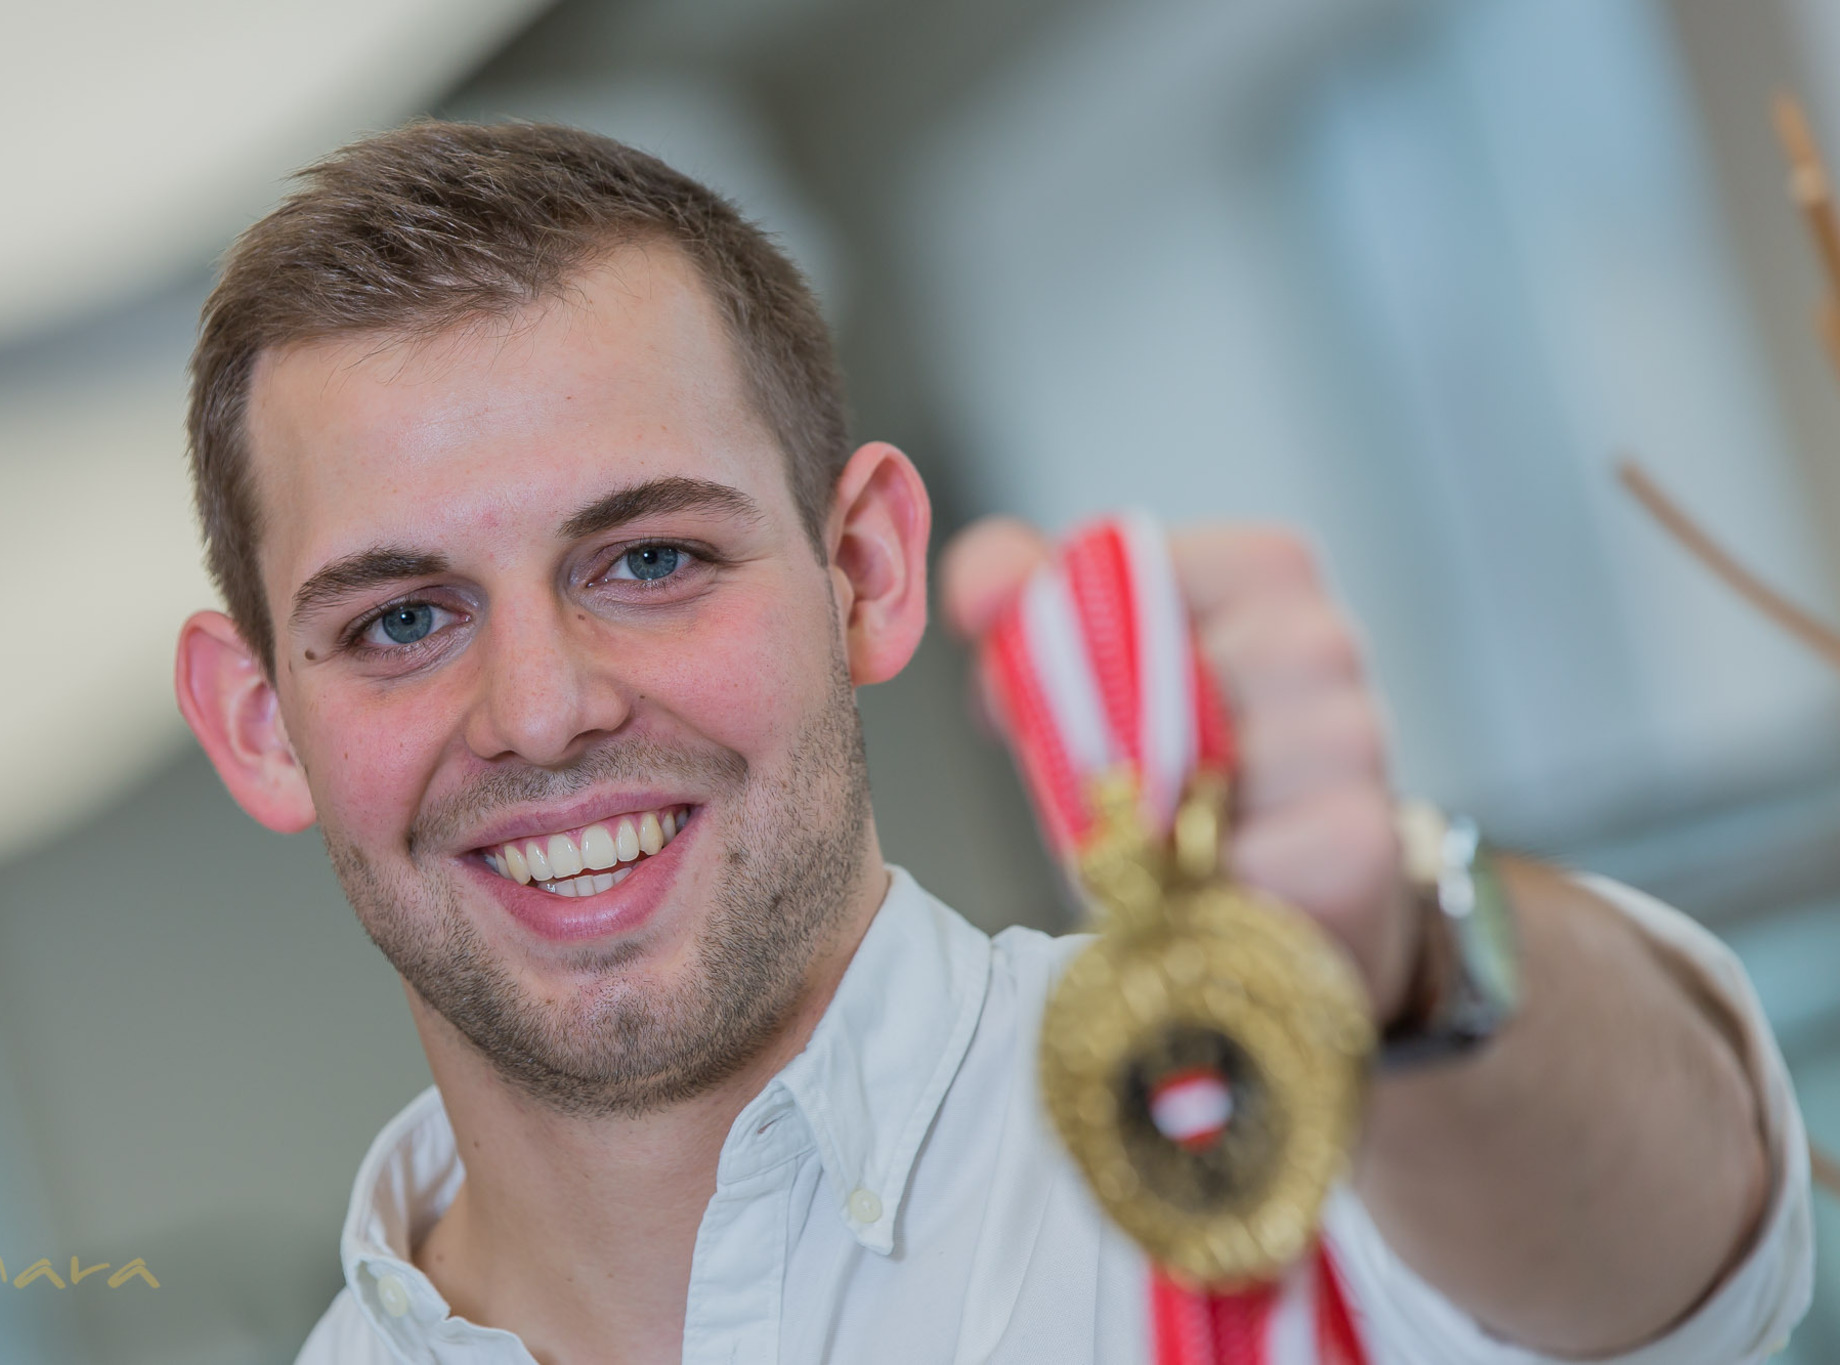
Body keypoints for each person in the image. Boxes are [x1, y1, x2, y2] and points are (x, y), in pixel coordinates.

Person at [173, 122, 1810, 1365]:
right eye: (401, 620)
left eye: (651, 560)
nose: (541, 710)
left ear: (866, 571)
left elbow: (1681, 1246)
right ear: (260, 724)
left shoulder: (1283, 1145)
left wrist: (1408, 967)